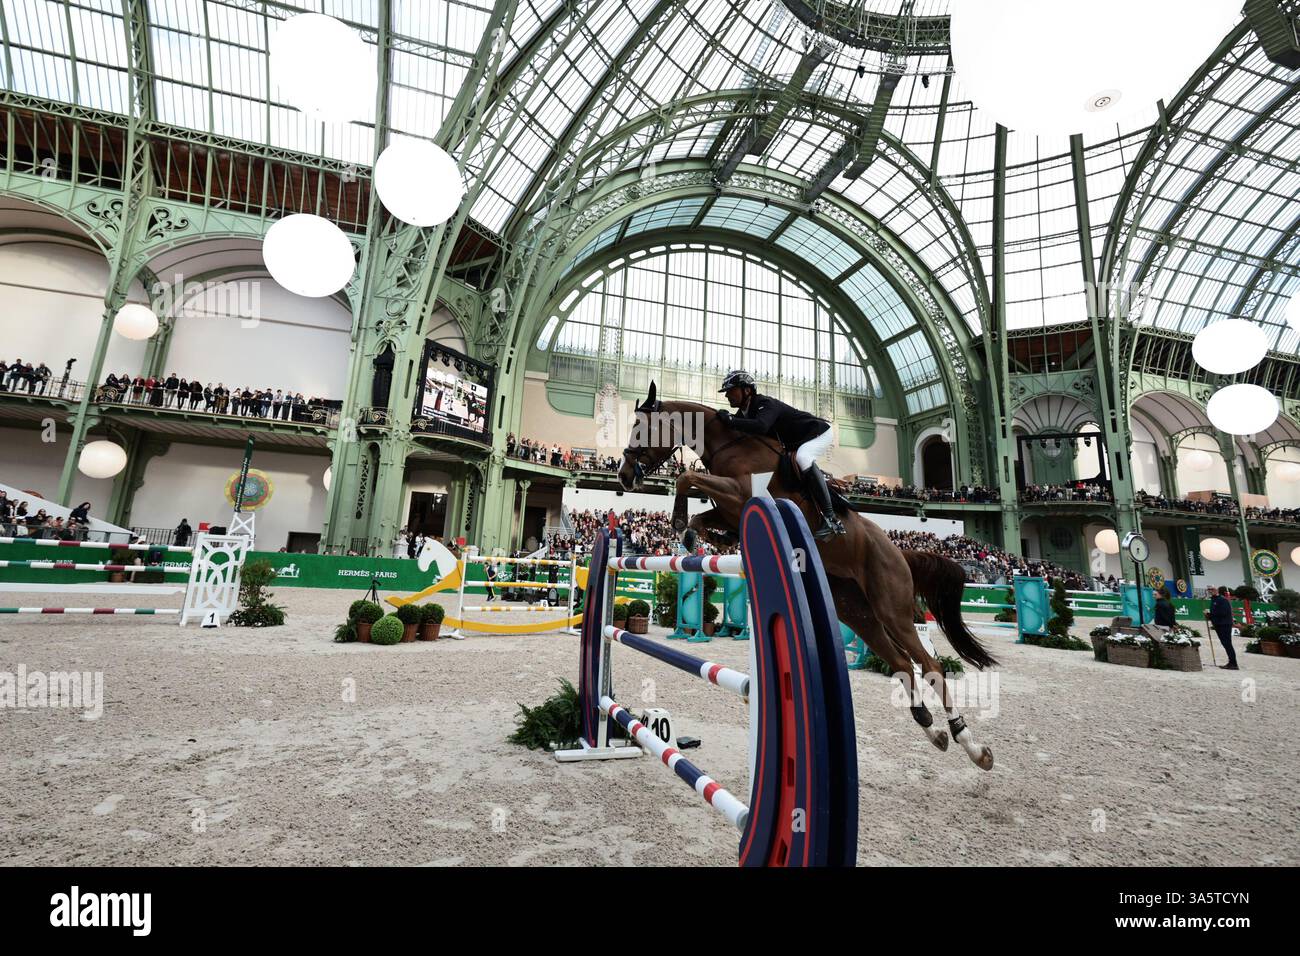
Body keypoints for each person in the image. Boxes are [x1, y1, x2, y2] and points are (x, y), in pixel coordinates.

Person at [713, 369, 845, 538]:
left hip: (818, 432)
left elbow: (761, 426)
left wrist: (730, 420)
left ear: (746, 390)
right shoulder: (744, 412)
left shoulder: (765, 403)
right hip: (795, 442)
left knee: (803, 458)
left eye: (731, 391)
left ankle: (831, 519)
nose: (727, 396)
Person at [1206, 585, 1238, 670]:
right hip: (1218, 624)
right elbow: (1215, 613)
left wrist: (1211, 615)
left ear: (1216, 590)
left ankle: (1233, 663)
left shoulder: (1222, 600)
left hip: (1224, 624)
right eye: (1209, 590)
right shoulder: (1213, 600)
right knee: (1225, 643)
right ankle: (1231, 662)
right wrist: (1209, 616)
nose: (1210, 591)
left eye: (1212, 589)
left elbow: (1223, 612)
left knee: (1227, 643)